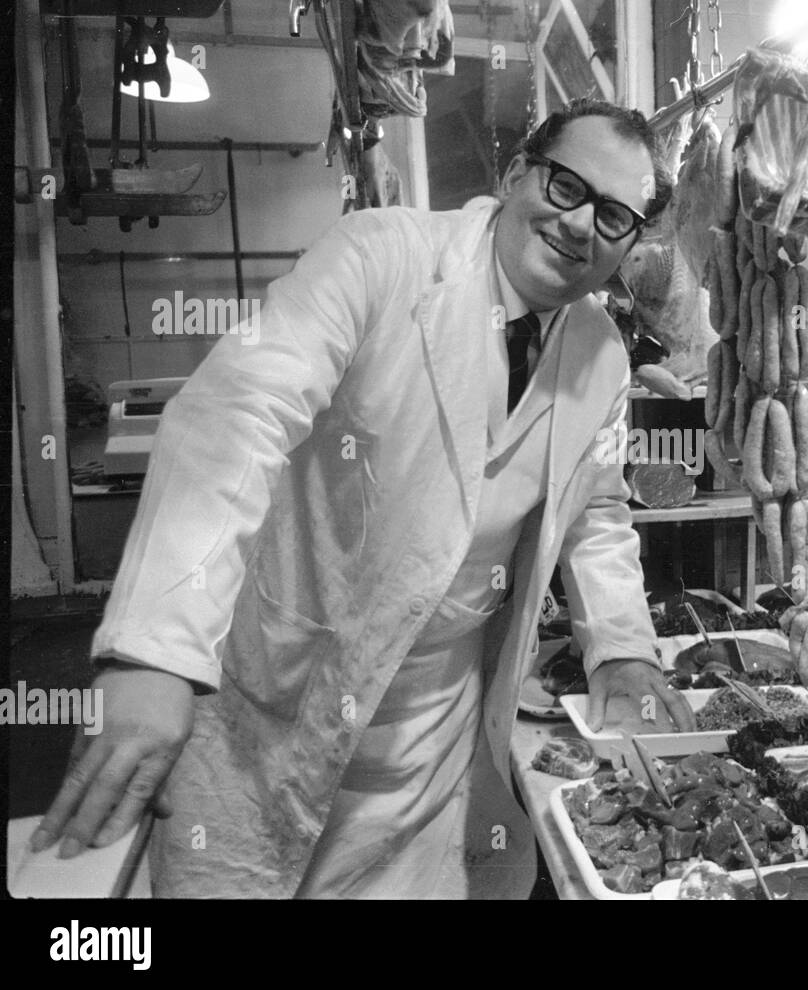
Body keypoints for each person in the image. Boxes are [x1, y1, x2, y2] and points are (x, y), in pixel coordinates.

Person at [31, 98, 696, 898]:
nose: (583, 224)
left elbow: (596, 512)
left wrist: (620, 645)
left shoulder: (600, 353)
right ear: (517, 173)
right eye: (566, 187)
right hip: (277, 708)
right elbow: (240, 414)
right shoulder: (381, 257)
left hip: (429, 743)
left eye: (616, 216)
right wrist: (156, 651)